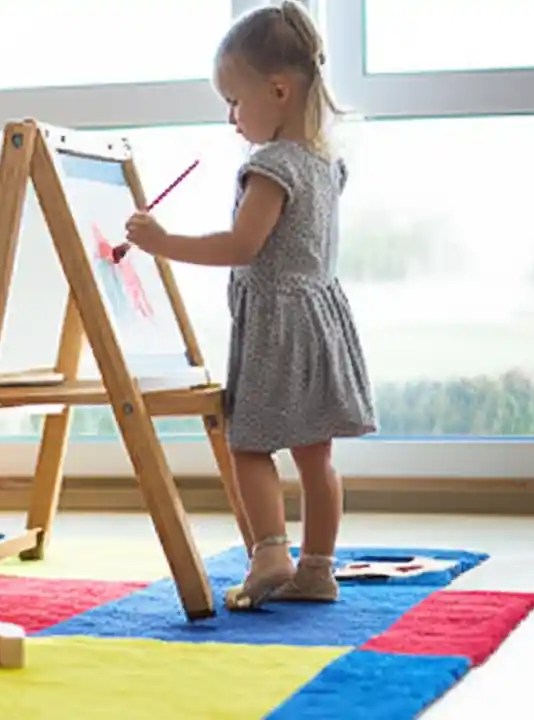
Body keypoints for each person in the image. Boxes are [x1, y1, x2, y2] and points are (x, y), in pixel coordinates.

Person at [122, 1, 376, 610]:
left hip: (278, 329)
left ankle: (269, 552)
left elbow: (242, 245)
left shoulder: (270, 167)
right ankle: (317, 568)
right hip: (322, 322)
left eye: (235, 100)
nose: (231, 117)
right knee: (317, 455)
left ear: (280, 90)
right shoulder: (322, 163)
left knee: (249, 445)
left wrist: (162, 244)